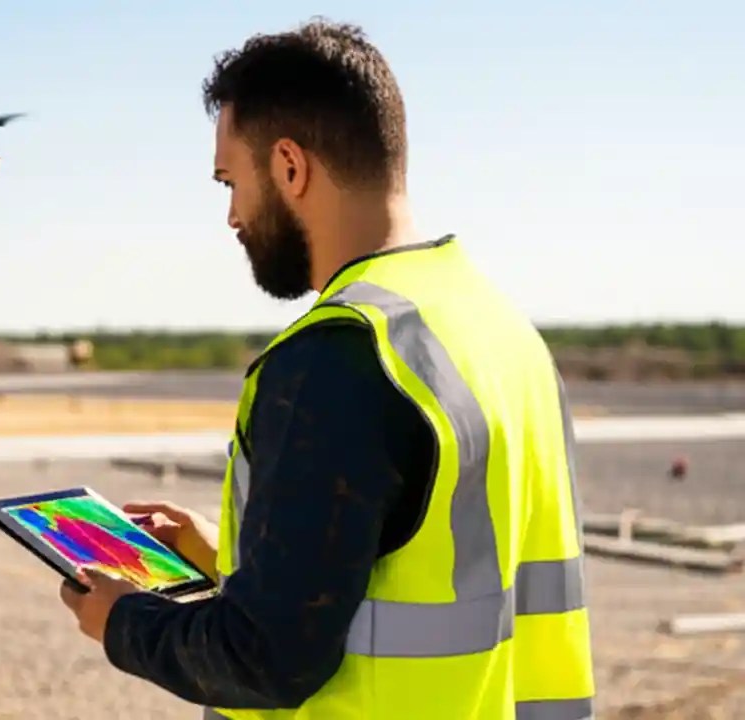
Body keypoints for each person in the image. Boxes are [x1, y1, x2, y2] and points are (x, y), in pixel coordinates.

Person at [59, 17, 596, 720]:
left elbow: (266, 659)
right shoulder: (499, 329)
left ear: (289, 166)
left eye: (231, 181)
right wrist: (235, 559)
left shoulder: (338, 356)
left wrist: (122, 621)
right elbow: (424, 578)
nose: (230, 216)